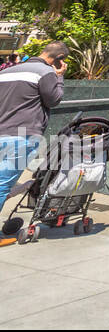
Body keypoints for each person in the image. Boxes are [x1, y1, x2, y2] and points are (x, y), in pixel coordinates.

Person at [0, 41, 68, 237]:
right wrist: (59, 77)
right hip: (22, 135)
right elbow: (53, 99)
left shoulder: (7, 71)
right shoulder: (44, 72)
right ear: (59, 60)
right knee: (2, 184)